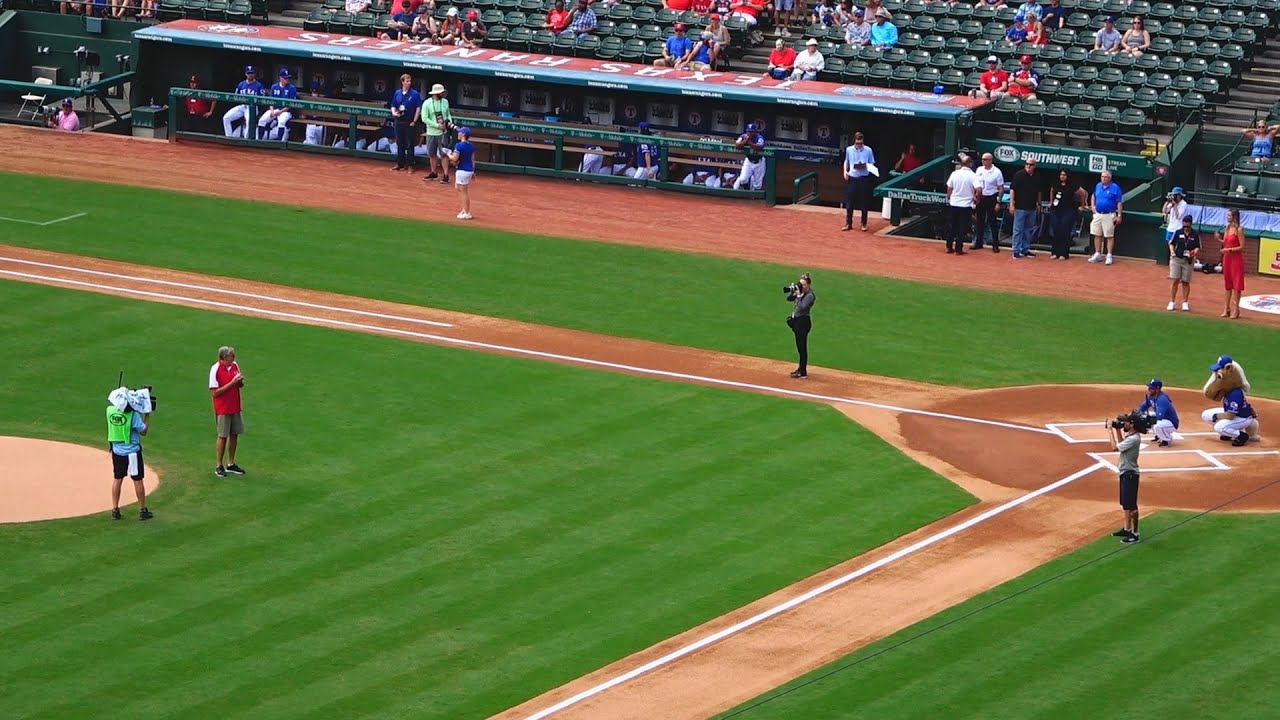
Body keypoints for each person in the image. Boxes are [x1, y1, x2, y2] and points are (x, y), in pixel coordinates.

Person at [106, 387, 153, 521]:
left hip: (117, 451)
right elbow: (143, 431)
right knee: (137, 480)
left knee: (118, 478)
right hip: (132, 452)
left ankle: (115, 509)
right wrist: (147, 414)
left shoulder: (109, 411)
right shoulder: (133, 415)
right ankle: (142, 510)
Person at [1106, 412, 1145, 544]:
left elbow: (1114, 448)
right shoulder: (1132, 436)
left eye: (1127, 422)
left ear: (1132, 424)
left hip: (1130, 475)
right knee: (1126, 504)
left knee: (1131, 505)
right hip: (1126, 473)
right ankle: (1127, 529)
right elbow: (1122, 445)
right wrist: (1118, 430)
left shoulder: (1134, 438)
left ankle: (1135, 534)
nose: (1124, 424)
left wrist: (1110, 430)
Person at [1203, 355, 1258, 445]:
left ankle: (1241, 435)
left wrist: (1217, 416)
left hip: (1242, 418)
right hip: (1235, 414)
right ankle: (1229, 433)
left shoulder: (1234, 394)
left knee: (1219, 427)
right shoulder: (1228, 388)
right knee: (1206, 415)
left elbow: (1230, 416)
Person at [209, 345, 246, 478]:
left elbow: (239, 385)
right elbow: (214, 392)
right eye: (231, 356)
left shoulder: (235, 365)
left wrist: (240, 382)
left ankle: (231, 463)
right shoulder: (215, 369)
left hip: (235, 406)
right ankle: (219, 465)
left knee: (235, 434)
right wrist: (232, 383)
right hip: (223, 408)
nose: (234, 358)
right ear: (224, 358)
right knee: (223, 436)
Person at [1047, 169, 1086, 259]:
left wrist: (1082, 206)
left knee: (1064, 231)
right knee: (1056, 230)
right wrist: (1051, 202)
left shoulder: (1072, 185)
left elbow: (1083, 193)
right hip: (1056, 210)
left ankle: (1064, 253)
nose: (1062, 176)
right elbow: (1052, 190)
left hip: (1068, 210)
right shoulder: (1056, 183)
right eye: (1061, 175)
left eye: (1064, 175)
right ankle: (1055, 252)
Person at [944, 154, 979, 255]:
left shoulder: (955, 173)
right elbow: (979, 189)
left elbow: (949, 188)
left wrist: (950, 197)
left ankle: (949, 247)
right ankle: (958, 249)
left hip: (954, 203)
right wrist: (977, 198)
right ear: (969, 164)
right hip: (966, 205)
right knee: (962, 227)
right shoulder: (973, 175)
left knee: (952, 226)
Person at [841, 131, 875, 232]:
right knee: (850, 201)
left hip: (864, 178)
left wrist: (864, 165)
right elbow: (846, 160)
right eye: (857, 143)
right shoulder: (849, 149)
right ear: (854, 142)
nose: (859, 145)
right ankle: (848, 223)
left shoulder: (868, 150)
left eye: (860, 143)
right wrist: (844, 171)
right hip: (853, 177)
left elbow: (872, 163)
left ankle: (863, 224)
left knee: (864, 202)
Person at [1165, 213, 1200, 312]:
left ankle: (1185, 302)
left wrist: (1194, 253)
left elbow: (1197, 246)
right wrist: (1172, 251)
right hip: (1177, 259)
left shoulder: (1195, 234)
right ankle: (1172, 301)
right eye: (1184, 225)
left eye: (1187, 226)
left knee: (1186, 281)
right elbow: (1171, 244)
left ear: (1190, 224)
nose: (1185, 228)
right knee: (1175, 280)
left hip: (1188, 260)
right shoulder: (1178, 232)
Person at [972, 152, 1005, 252]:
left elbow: (1001, 188)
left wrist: (998, 202)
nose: (983, 161)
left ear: (990, 160)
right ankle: (979, 242)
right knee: (979, 221)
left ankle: (995, 244)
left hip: (991, 197)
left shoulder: (997, 172)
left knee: (992, 222)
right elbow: (975, 183)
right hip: (981, 197)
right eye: (982, 159)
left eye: (985, 159)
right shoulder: (979, 170)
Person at [1088, 169, 1122, 265]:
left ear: (1109, 178)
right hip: (1098, 214)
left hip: (1109, 214)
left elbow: (1119, 202)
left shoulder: (1115, 188)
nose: (1103, 178)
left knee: (1109, 236)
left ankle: (1109, 255)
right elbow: (1093, 196)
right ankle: (1098, 253)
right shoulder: (1098, 185)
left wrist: (1119, 215)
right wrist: (1093, 207)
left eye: (1105, 177)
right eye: (1102, 176)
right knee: (1097, 234)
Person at [1008, 156, 1040, 259]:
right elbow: (1012, 190)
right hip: (1020, 207)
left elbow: (1039, 192)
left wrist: (1038, 204)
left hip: (1031, 207)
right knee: (1018, 230)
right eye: (1027, 164)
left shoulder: (1037, 176)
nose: (1028, 166)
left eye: (1031, 165)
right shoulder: (1019, 175)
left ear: (1035, 166)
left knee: (1028, 230)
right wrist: (1012, 204)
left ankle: (1025, 249)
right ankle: (1016, 250)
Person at [389, 73, 422, 172]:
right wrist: (394, 113)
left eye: (410, 81)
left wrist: (414, 121)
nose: (408, 83)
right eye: (407, 81)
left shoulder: (415, 94)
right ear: (402, 82)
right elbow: (393, 105)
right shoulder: (397, 93)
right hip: (399, 121)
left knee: (410, 144)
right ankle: (400, 164)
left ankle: (410, 165)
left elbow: (418, 108)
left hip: (409, 122)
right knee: (400, 143)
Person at [421, 83, 453, 183]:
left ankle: (446, 175)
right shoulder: (427, 103)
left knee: (444, 154)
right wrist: (437, 125)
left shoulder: (445, 102)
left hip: (443, 133)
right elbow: (424, 118)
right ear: (435, 93)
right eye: (441, 92)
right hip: (431, 132)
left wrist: (448, 122)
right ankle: (433, 173)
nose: (442, 94)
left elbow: (448, 114)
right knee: (432, 154)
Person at [222, 65, 265, 138]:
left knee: (249, 122)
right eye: (248, 73)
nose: (250, 75)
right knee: (226, 118)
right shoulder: (241, 84)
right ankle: (229, 138)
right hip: (242, 106)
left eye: (252, 73)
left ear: (254, 74)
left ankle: (246, 140)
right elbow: (235, 96)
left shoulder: (259, 85)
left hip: (252, 108)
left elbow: (262, 99)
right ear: (245, 74)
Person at [1218, 208, 1246, 319]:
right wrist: (1218, 239)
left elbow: (1242, 246)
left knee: (1236, 285)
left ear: (1234, 217)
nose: (1227, 217)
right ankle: (1226, 308)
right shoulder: (1227, 228)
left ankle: (1236, 309)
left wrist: (1228, 250)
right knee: (1228, 284)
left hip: (1235, 259)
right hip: (1227, 258)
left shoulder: (1239, 229)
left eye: (1229, 215)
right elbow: (1225, 242)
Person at [786, 273, 815, 379]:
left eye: (803, 284)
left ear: (808, 285)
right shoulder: (801, 292)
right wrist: (793, 291)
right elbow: (788, 299)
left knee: (802, 348)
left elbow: (802, 307)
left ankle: (803, 371)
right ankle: (800, 369)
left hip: (803, 322)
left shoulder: (810, 295)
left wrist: (799, 296)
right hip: (797, 321)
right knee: (799, 347)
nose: (801, 286)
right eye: (800, 284)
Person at [256, 68, 297, 142]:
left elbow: (290, 105)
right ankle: (259, 140)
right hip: (274, 109)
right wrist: (272, 111)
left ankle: (279, 143)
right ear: (280, 78)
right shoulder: (274, 87)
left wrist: (280, 112)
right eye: (285, 78)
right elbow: (271, 101)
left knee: (281, 122)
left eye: (288, 78)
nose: (287, 79)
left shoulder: (292, 88)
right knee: (261, 120)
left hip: (286, 111)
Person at [1135, 379, 1179, 447]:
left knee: (1157, 425)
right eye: (1149, 387)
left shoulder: (1162, 399)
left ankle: (1167, 440)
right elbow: (1143, 406)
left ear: (1157, 389)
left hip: (1171, 423)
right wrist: (1135, 415)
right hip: (1163, 420)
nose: (1149, 389)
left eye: (1151, 388)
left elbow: (1159, 417)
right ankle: (1158, 435)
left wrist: (1146, 420)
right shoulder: (1152, 397)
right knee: (1145, 416)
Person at [448, 126, 477, 220]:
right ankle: (464, 209)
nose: (458, 134)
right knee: (457, 187)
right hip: (468, 170)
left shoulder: (459, 146)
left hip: (462, 171)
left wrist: (448, 153)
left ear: (463, 135)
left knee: (464, 192)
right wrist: (473, 171)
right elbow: (472, 159)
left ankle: (467, 212)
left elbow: (454, 158)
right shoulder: (471, 146)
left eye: (460, 132)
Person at [732, 123, 767, 191]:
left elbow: (759, 147)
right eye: (748, 131)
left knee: (758, 184)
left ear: (755, 132)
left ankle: (755, 199)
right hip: (748, 161)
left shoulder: (759, 137)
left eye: (751, 131)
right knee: (743, 179)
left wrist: (749, 143)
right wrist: (745, 141)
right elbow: (737, 145)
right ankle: (746, 190)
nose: (749, 133)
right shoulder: (743, 136)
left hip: (759, 162)